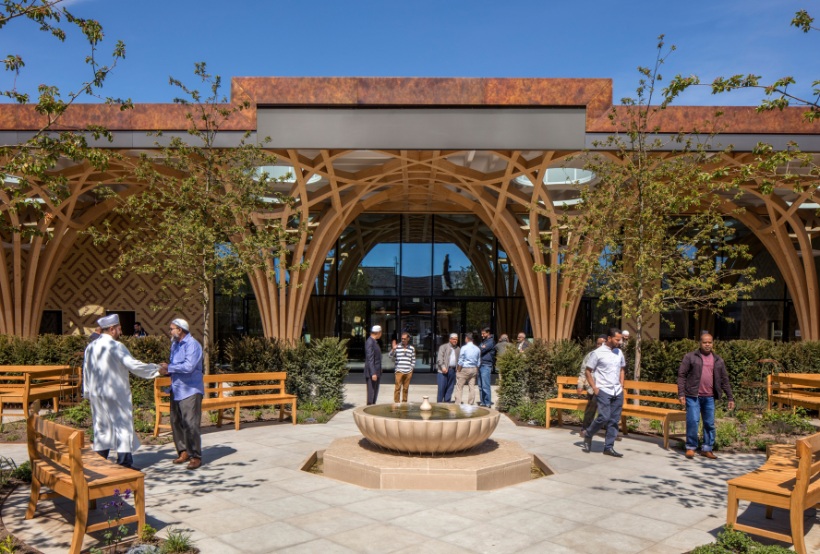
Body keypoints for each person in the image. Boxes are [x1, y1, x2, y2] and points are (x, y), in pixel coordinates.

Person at [82, 314, 160, 468]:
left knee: (101, 426)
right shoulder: (116, 346)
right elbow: (133, 365)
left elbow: (86, 371)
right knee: (122, 425)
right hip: (116, 393)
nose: (121, 332)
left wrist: (87, 392)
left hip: (97, 393)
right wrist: (156, 369)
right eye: (119, 328)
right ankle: (124, 463)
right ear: (111, 329)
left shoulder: (90, 347)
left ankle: (100, 462)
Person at [677, 333, 735, 460]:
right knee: (693, 421)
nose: (707, 344)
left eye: (710, 342)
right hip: (693, 396)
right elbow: (682, 375)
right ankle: (691, 447)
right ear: (700, 343)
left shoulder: (718, 360)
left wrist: (730, 397)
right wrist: (681, 393)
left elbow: (724, 380)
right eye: (705, 342)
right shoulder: (691, 357)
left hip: (709, 397)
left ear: (713, 343)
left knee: (709, 423)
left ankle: (707, 448)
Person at [159, 318, 204, 470]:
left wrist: (170, 368)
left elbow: (189, 366)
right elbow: (175, 366)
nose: (170, 331)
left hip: (190, 390)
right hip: (176, 388)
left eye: (172, 328)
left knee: (191, 424)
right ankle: (183, 451)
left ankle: (195, 456)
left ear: (180, 330)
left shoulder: (193, 345)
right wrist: (166, 371)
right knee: (176, 422)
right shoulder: (175, 345)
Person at [582, 328, 626, 457]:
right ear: (609, 338)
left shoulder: (619, 353)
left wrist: (622, 385)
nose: (620, 342)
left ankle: (608, 447)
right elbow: (588, 371)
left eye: (621, 339)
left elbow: (622, 369)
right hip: (603, 390)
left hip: (617, 391)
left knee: (614, 420)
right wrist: (595, 387)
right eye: (617, 339)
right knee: (604, 417)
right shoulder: (597, 353)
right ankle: (589, 433)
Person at [578, 335, 607, 436]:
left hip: (606, 388)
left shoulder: (611, 355)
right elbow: (583, 371)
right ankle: (585, 429)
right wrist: (580, 385)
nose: (600, 345)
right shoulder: (591, 355)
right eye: (599, 343)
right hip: (592, 387)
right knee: (591, 409)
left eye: (602, 343)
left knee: (607, 410)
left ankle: (609, 432)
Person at [390, 332, 416, 403]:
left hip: (408, 371)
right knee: (397, 388)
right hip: (399, 371)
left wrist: (411, 370)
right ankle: (396, 403)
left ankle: (404, 402)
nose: (403, 340)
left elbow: (413, 360)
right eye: (402, 338)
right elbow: (390, 356)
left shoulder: (411, 348)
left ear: (408, 339)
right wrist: (393, 349)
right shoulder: (397, 347)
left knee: (405, 388)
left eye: (404, 339)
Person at [455, 333, 480, 405]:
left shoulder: (464, 348)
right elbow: (478, 361)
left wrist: (458, 370)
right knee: (472, 387)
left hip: (465, 368)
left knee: (459, 387)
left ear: (467, 338)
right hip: (474, 368)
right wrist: (476, 369)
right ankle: (470, 403)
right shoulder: (477, 348)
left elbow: (461, 360)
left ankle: (458, 403)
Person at [436, 333, 460, 402]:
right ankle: (439, 404)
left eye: (456, 339)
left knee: (450, 388)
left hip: (452, 370)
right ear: (450, 339)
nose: (455, 341)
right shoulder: (443, 347)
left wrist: (458, 369)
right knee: (441, 389)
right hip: (442, 371)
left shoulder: (458, 349)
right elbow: (440, 359)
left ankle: (447, 403)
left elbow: (459, 360)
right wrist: (443, 367)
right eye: (453, 339)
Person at [364, 325, 383, 405]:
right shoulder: (370, 342)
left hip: (376, 371)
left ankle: (372, 408)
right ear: (378, 333)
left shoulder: (374, 342)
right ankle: (369, 410)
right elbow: (370, 359)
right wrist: (373, 373)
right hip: (373, 373)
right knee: (371, 395)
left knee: (375, 393)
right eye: (381, 332)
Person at [477, 327, 495, 407]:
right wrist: (481, 348)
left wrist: (481, 348)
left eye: (483, 333)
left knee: (485, 385)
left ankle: (487, 403)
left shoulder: (490, 342)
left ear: (488, 333)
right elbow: (479, 349)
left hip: (486, 365)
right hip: (480, 365)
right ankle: (482, 402)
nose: (482, 335)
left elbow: (481, 350)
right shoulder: (484, 341)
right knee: (480, 385)